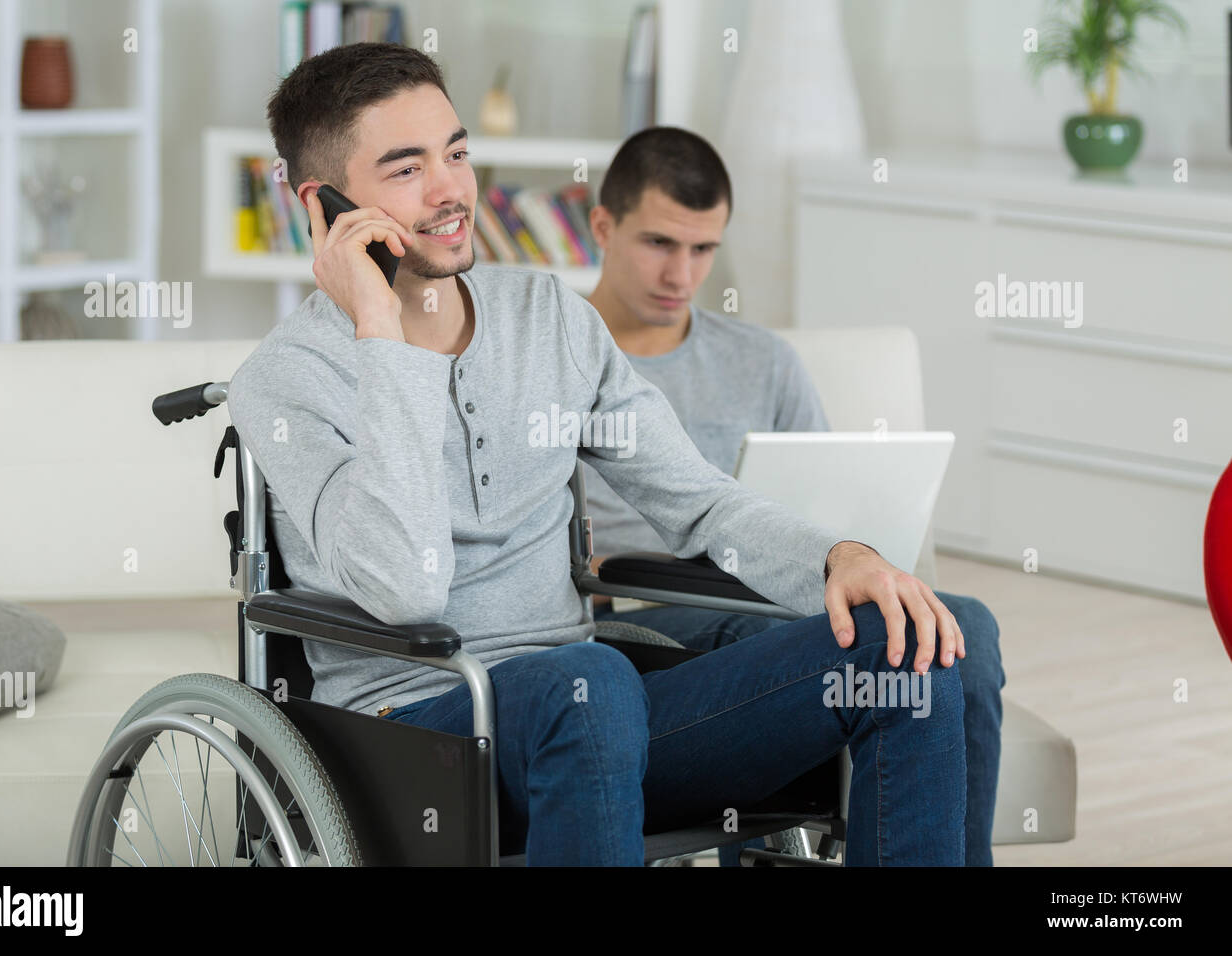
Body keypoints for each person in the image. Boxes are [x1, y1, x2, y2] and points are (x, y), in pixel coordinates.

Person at [228, 42, 969, 865]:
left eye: (459, 154)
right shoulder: (282, 383)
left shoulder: (549, 315)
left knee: (914, 642)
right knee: (593, 681)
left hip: (595, 723)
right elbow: (406, 589)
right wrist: (380, 332)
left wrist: (842, 558)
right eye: (406, 170)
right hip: (415, 738)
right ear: (325, 207)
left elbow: (696, 497)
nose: (451, 191)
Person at [581, 127, 1005, 866]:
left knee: (962, 625)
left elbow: (829, 508)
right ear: (603, 226)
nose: (681, 272)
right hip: (650, 614)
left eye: (704, 249)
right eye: (658, 243)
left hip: (782, 592)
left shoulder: (763, 361)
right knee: (910, 641)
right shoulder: (564, 355)